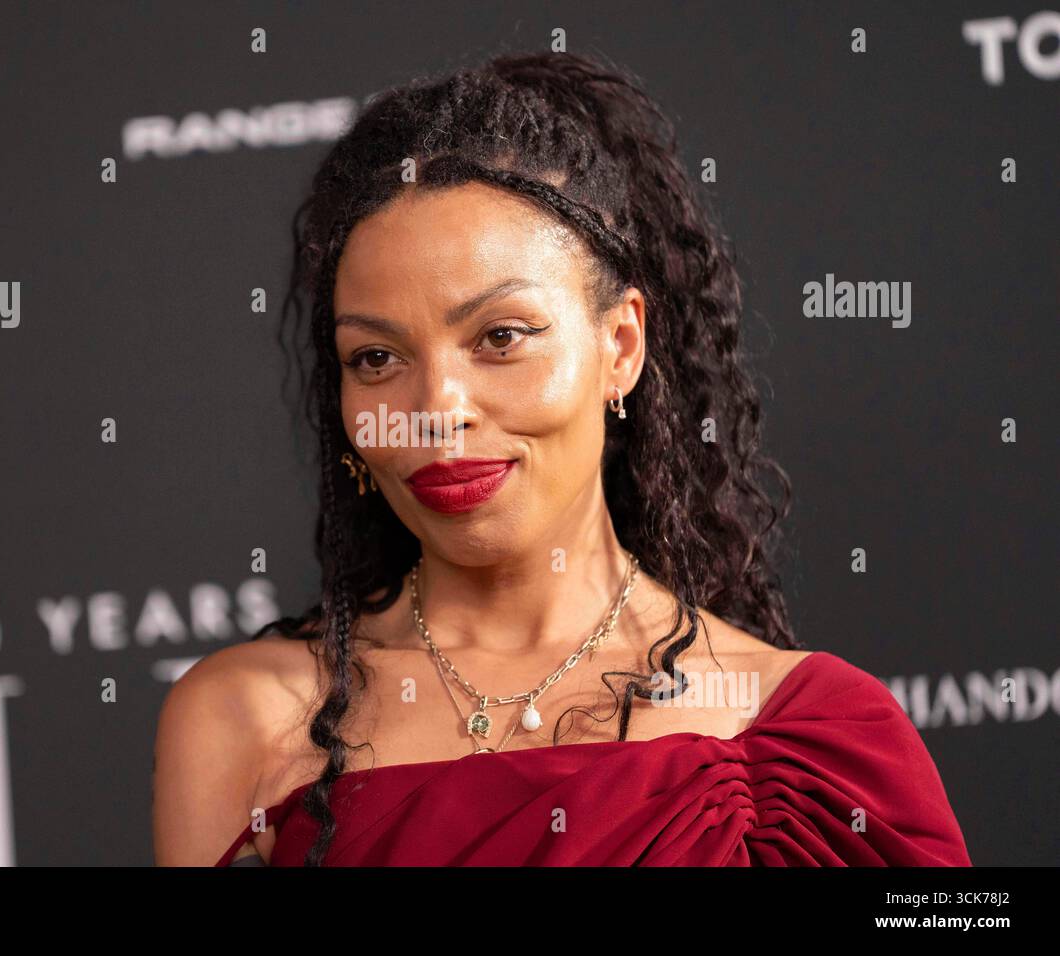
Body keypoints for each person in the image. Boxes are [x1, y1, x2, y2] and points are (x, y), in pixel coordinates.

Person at [152, 50, 972, 867]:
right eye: (376, 359)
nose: (437, 413)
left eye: (500, 338)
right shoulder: (244, 718)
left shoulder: (805, 746)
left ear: (620, 346)